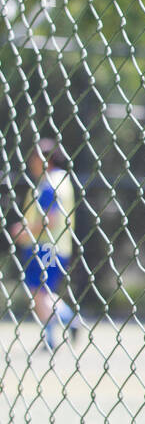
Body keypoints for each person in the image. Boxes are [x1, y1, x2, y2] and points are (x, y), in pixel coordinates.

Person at [9, 138, 82, 352]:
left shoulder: (50, 184)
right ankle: (56, 332)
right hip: (57, 245)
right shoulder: (61, 180)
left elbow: (50, 219)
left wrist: (23, 231)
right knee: (42, 292)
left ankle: (68, 321)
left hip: (46, 247)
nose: (31, 162)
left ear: (44, 160)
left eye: (34, 157)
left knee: (41, 292)